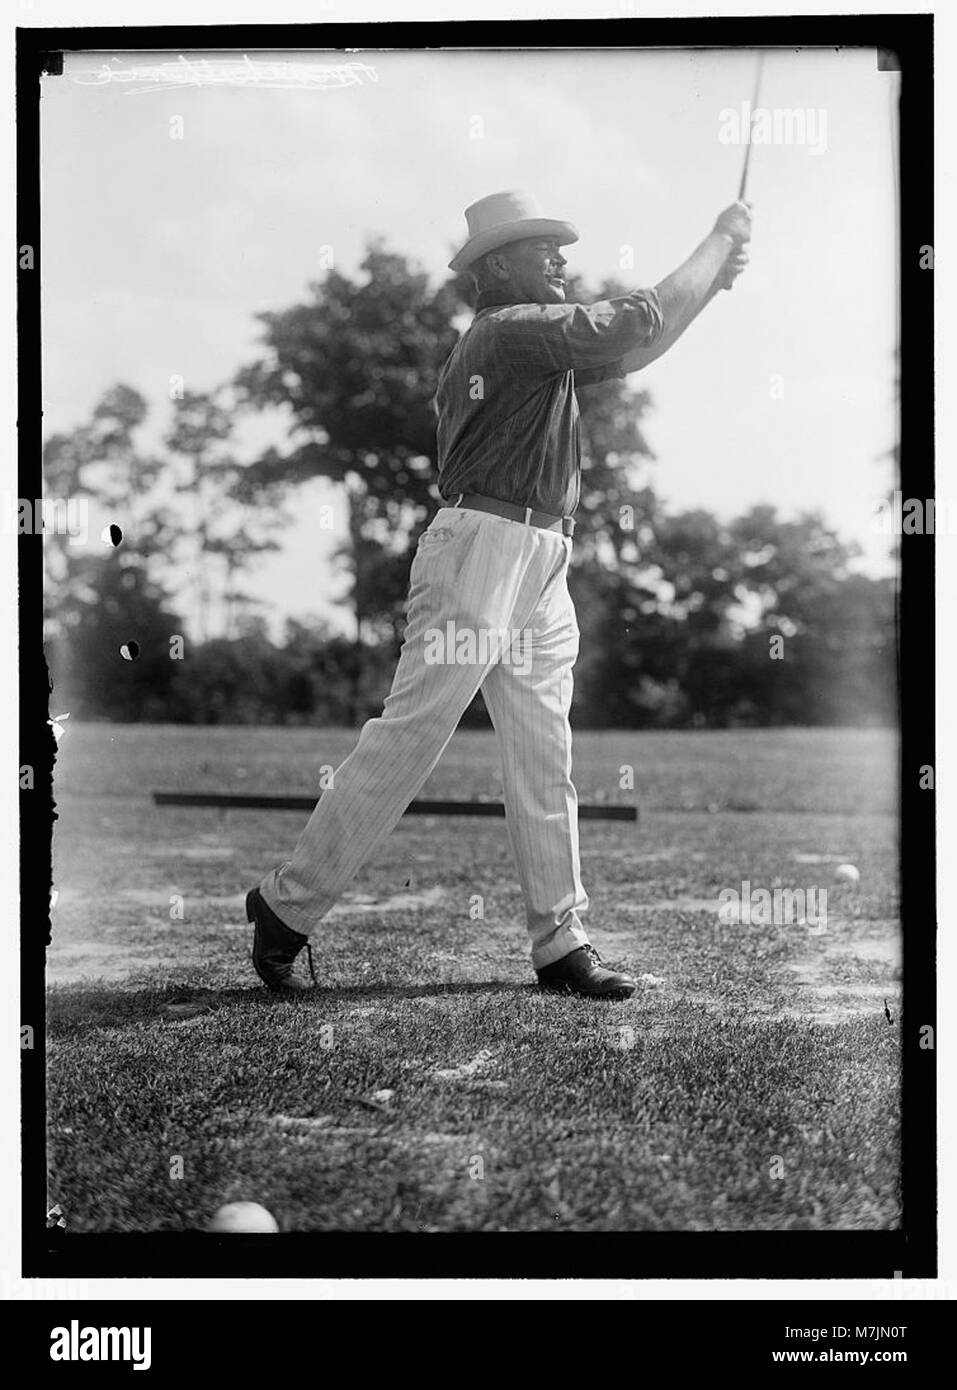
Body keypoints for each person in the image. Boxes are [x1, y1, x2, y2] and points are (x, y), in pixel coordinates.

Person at [244, 189, 751, 999]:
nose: (558, 256)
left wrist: (712, 279)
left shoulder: (531, 345)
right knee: (411, 737)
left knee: (544, 752)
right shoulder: (509, 331)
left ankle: (560, 942)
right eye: (540, 246)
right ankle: (284, 907)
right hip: (479, 548)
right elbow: (640, 318)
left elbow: (641, 345)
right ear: (494, 269)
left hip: (540, 555)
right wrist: (717, 239)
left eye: (557, 244)